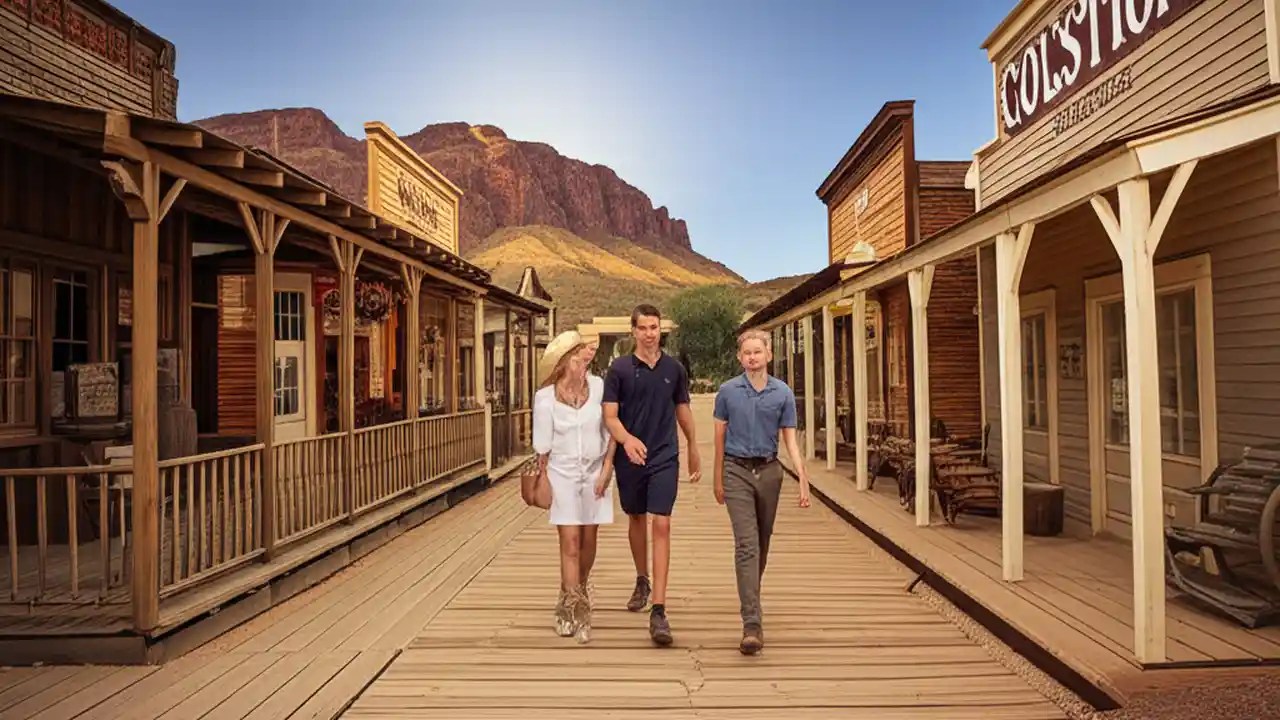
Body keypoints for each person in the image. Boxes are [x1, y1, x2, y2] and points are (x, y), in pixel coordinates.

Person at [603, 304, 700, 646]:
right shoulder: (619, 370)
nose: (649, 333)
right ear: (634, 331)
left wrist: (693, 447)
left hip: (664, 455)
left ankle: (659, 609)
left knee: (662, 522)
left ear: (661, 330)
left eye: (654, 327)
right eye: (643, 328)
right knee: (636, 519)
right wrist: (627, 440)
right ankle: (642, 578)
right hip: (630, 457)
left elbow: (683, 410)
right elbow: (610, 417)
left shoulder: (674, 369)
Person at [712, 329, 810, 655]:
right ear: (740, 358)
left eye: (758, 351)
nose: (752, 357)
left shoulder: (782, 394)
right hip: (736, 469)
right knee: (746, 543)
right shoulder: (727, 392)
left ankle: (751, 593)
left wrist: (804, 478)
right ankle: (751, 622)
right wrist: (717, 478)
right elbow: (718, 439)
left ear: (769, 355)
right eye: (747, 353)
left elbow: (790, 440)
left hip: (769, 472)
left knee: (762, 543)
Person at [532, 331, 616, 644]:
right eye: (580, 358)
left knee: (588, 540)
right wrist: (546, 414)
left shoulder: (599, 388)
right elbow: (541, 444)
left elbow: (610, 432)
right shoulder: (545, 397)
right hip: (562, 474)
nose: (585, 362)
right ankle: (577, 608)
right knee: (570, 541)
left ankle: (573, 588)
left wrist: (607, 470)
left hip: (596, 473)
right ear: (566, 362)